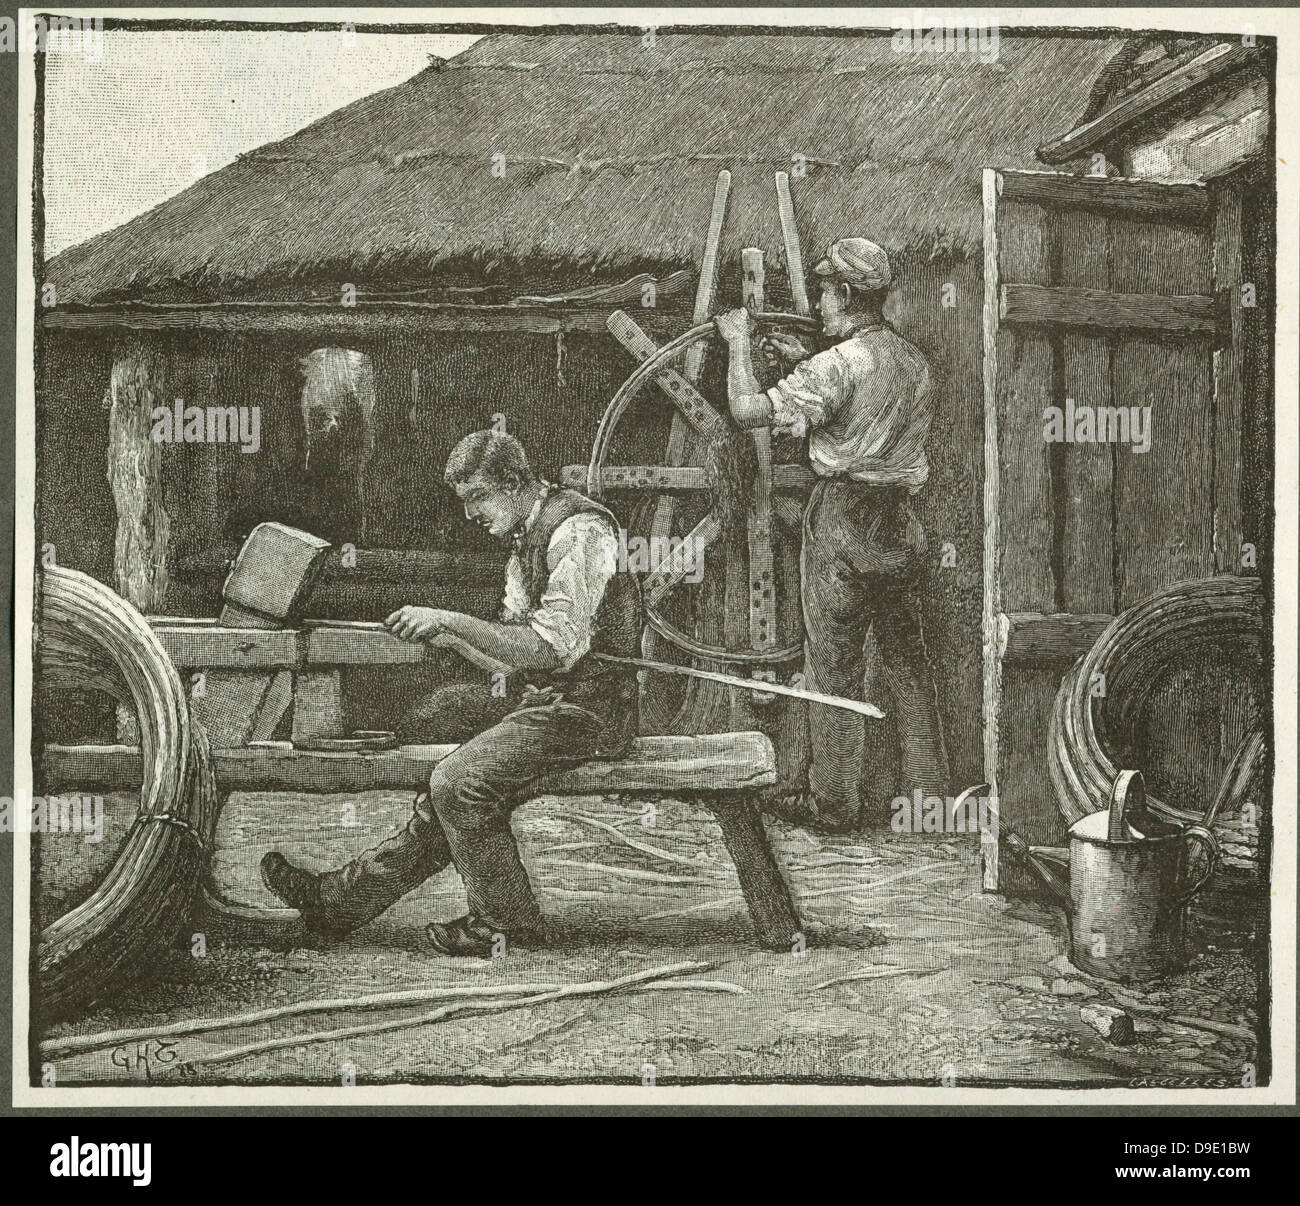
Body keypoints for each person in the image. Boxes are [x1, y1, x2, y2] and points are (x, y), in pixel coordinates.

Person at [261, 430, 642, 956]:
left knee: (458, 781)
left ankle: (505, 925)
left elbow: (551, 650)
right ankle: (337, 903)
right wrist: (451, 637)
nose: (470, 514)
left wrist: (451, 619)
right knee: (445, 760)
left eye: (478, 498)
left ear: (512, 484)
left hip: (594, 710)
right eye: (463, 501)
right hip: (549, 703)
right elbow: (512, 652)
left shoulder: (580, 530)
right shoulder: (525, 540)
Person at [716, 237, 948, 832]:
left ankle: (837, 805)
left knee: (834, 665)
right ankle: (930, 799)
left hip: (845, 517)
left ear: (845, 293)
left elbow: (747, 409)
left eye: (823, 291)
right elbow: (861, 396)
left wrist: (740, 343)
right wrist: (807, 359)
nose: (817, 303)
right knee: (907, 660)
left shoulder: (837, 366)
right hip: (904, 521)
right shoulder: (915, 362)